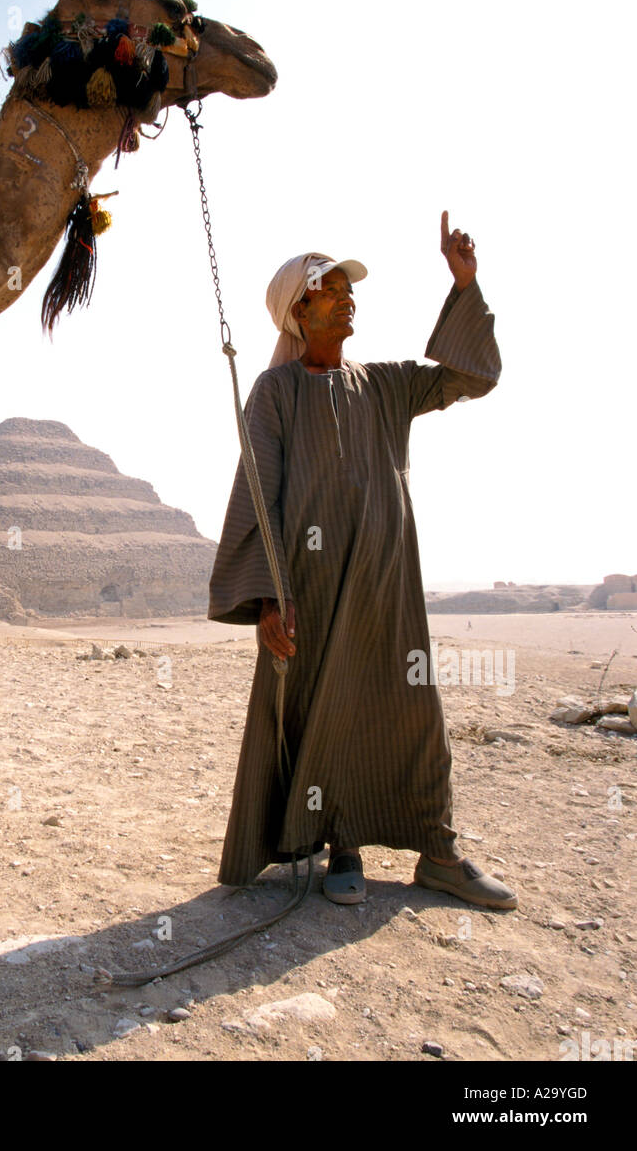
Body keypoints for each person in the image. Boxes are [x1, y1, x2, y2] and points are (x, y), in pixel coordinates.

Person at [208, 213, 516, 909]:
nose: (349, 296)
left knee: (414, 713)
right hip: (312, 593)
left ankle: (439, 852)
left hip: (389, 583)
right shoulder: (275, 394)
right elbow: (259, 496)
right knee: (331, 713)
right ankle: (341, 844)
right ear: (298, 310)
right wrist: (266, 600)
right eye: (332, 288)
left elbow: (470, 377)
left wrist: (465, 287)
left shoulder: (387, 384)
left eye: (350, 287)